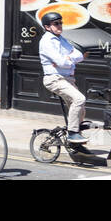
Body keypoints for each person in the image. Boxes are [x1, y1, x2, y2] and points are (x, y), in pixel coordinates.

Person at [38, 10, 87, 144]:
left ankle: (75, 137)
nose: (60, 26)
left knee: (80, 109)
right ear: (47, 27)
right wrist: (67, 59)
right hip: (54, 79)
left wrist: (67, 58)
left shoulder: (61, 39)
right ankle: (72, 133)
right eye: (56, 24)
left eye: (60, 23)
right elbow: (62, 62)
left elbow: (79, 55)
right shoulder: (46, 41)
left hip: (68, 79)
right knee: (79, 99)